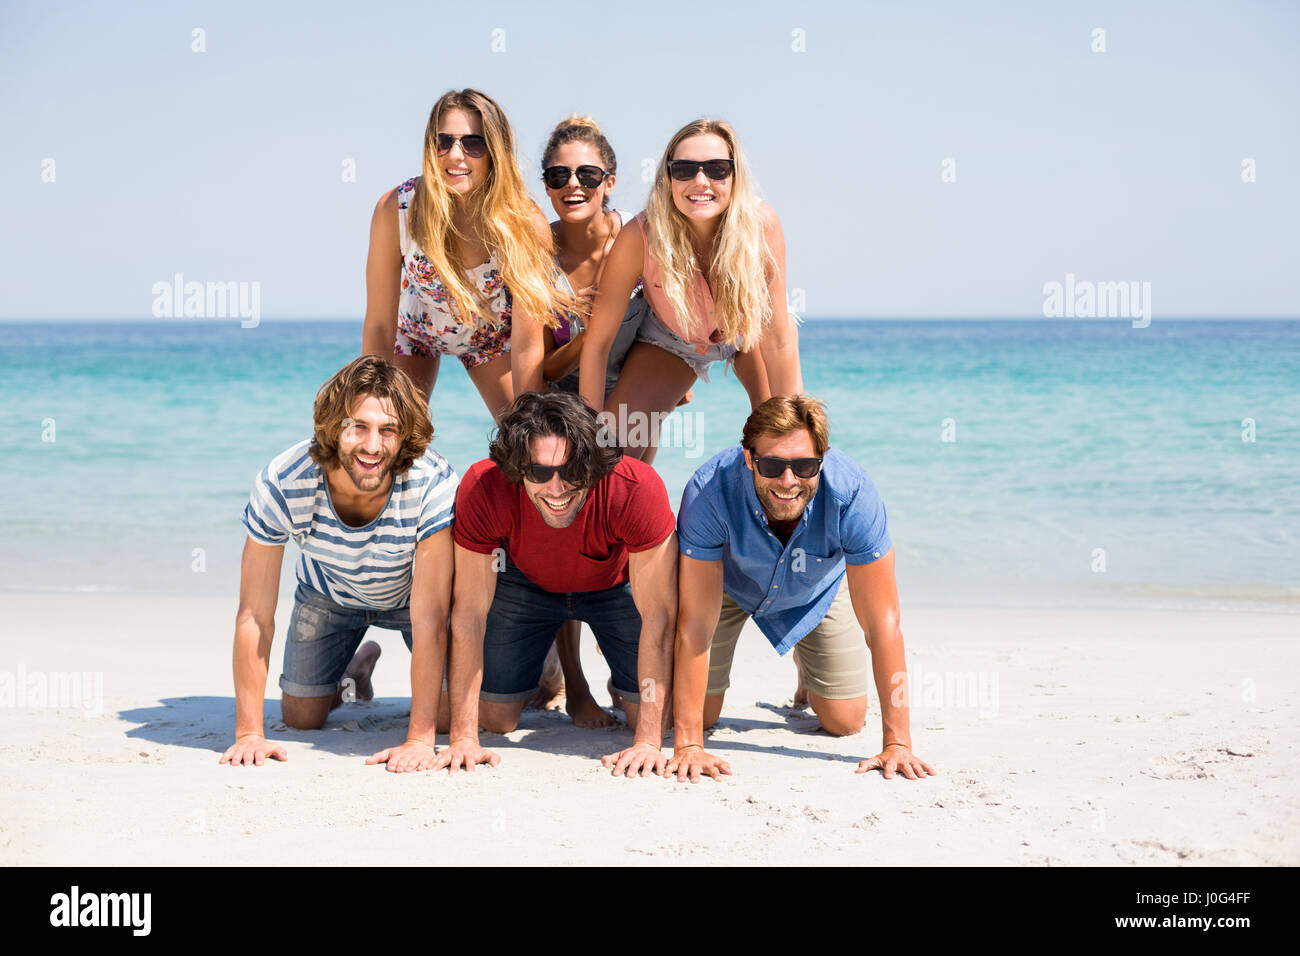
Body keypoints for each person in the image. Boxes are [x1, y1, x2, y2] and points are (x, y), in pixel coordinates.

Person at [666, 395, 937, 783]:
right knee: (699, 717)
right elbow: (694, 626)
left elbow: (884, 624)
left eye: (804, 466)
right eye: (772, 465)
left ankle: (805, 661)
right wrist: (690, 745)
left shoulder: (853, 493)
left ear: (821, 460)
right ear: (749, 458)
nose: (788, 481)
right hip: (728, 585)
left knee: (845, 721)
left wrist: (898, 744)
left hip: (814, 588)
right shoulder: (710, 491)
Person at [221, 357, 458, 770]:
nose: (372, 445)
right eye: (358, 427)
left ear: (405, 436)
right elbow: (255, 615)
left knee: (442, 719)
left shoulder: (432, 482)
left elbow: (432, 617)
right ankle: (353, 670)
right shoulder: (284, 481)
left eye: (388, 430)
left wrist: (418, 740)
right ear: (334, 427)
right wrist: (249, 735)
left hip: (411, 600)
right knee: (301, 718)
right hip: (327, 594)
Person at [436, 391, 678, 777]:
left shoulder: (634, 488)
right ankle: (549, 670)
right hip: (526, 583)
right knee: (496, 720)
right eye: (539, 472)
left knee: (652, 715)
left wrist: (648, 742)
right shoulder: (485, 487)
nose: (557, 487)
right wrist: (464, 738)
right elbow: (468, 614)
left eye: (572, 471)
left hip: (612, 586)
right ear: (517, 467)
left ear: (593, 463)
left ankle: (622, 676)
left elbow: (660, 618)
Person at [579, 118, 801, 458]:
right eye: (684, 169)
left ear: (735, 175)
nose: (700, 180)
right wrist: (587, 432)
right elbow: (597, 343)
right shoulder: (639, 235)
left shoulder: (762, 226)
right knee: (611, 453)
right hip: (670, 340)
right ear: (667, 178)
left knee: (780, 447)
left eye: (716, 169)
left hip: (748, 332)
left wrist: (795, 436)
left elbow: (777, 338)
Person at [361, 88, 569, 420]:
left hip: (491, 340)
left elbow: (528, 346)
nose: (455, 155)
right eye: (444, 142)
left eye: (472, 143)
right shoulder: (396, 209)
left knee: (525, 442)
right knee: (390, 430)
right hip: (418, 331)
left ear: (494, 151)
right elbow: (379, 328)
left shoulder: (524, 223)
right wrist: (368, 404)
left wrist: (531, 428)